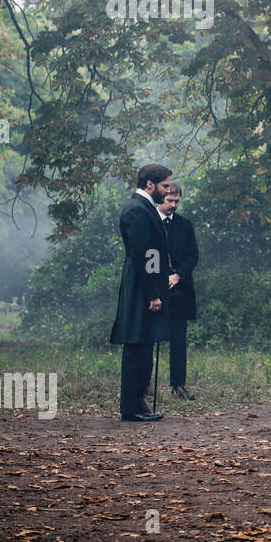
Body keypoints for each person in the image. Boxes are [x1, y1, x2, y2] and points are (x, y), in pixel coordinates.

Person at [110, 164, 174, 422]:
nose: (168, 190)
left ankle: (138, 404)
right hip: (140, 287)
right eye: (165, 186)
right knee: (137, 344)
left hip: (143, 285)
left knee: (143, 343)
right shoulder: (138, 210)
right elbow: (143, 255)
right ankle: (132, 408)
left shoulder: (142, 208)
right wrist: (152, 293)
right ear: (150, 184)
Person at [156, 182, 199, 400]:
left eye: (176, 201)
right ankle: (143, 387)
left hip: (179, 291)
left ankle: (178, 386)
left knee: (179, 340)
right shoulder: (149, 222)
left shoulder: (184, 225)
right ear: (160, 199)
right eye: (169, 201)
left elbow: (193, 256)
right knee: (148, 339)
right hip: (152, 289)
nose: (173, 205)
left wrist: (178, 275)